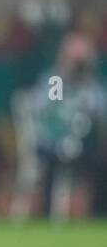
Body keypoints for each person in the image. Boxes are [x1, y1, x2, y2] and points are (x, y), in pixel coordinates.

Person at [31, 32, 107, 218]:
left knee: (100, 163)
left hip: (84, 143)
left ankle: (98, 213)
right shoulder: (55, 80)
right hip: (54, 141)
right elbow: (49, 111)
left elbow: (100, 111)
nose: (78, 66)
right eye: (75, 60)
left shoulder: (91, 84)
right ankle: (46, 213)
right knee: (51, 162)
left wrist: (85, 82)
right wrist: (66, 78)